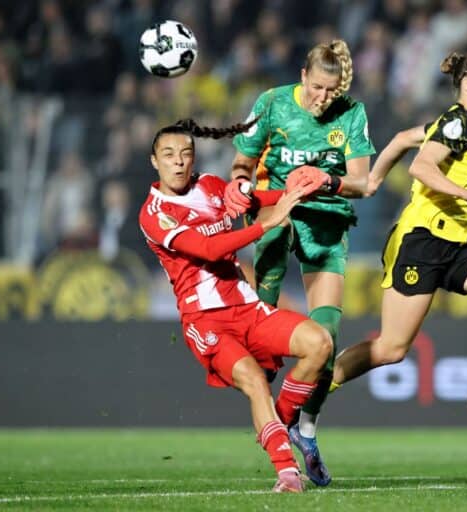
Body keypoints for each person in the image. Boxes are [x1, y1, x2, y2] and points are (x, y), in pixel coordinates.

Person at [331, 51, 467, 427]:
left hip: (456, 242)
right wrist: (465, 193)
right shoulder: (458, 123)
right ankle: (314, 384)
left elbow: (400, 140)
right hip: (422, 241)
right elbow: (421, 166)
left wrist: (373, 182)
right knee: (391, 349)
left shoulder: (460, 125)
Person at [138, 119, 333, 493]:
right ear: (154, 161)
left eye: (185, 154)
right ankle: (288, 473)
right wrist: (267, 224)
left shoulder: (211, 185)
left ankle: (284, 421)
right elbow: (209, 249)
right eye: (168, 155)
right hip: (206, 321)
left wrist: (295, 191)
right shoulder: (154, 213)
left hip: (247, 306)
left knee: (319, 343)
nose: (178, 162)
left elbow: (253, 200)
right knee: (254, 380)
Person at [225, 39, 375, 485]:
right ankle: (276, 427)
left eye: (331, 91)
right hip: (276, 216)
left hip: (326, 223)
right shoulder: (272, 102)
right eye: (316, 88)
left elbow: (363, 181)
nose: (322, 99)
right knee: (261, 335)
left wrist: (328, 178)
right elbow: (242, 162)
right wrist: (238, 185)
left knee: (326, 334)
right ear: (303, 75)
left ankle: (304, 426)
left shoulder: (352, 112)